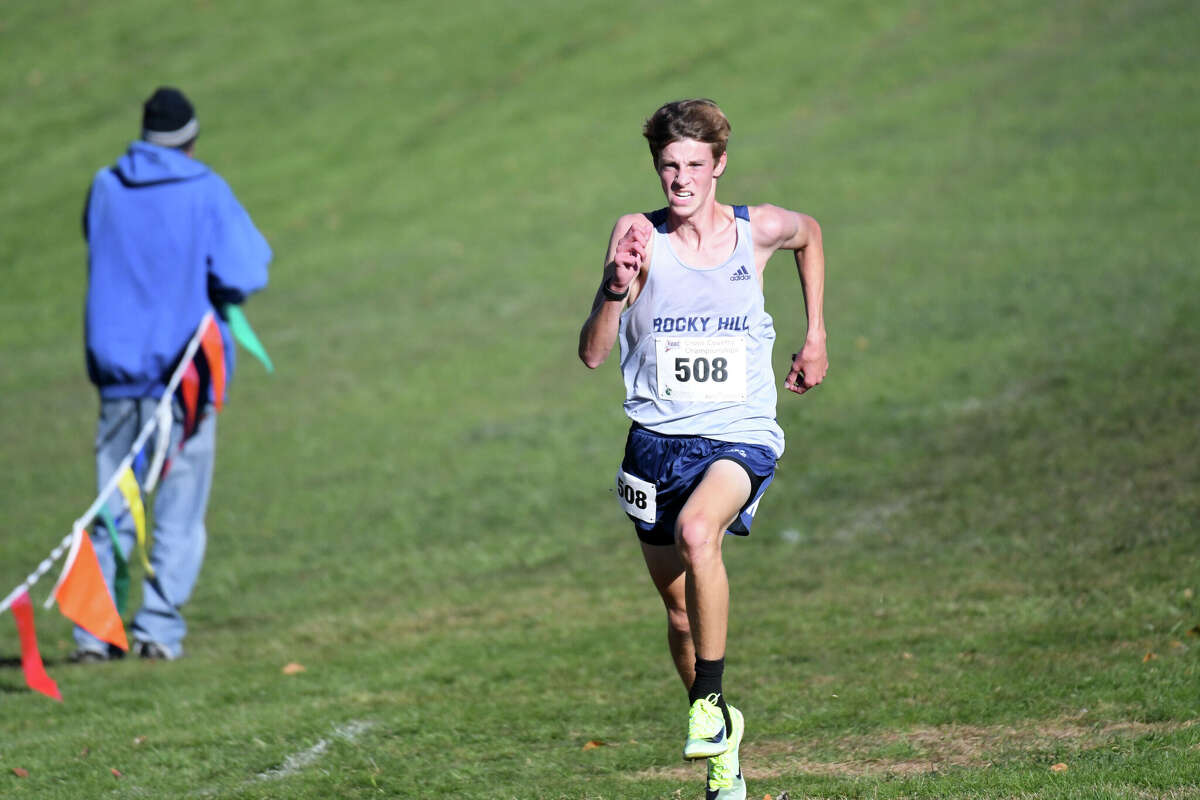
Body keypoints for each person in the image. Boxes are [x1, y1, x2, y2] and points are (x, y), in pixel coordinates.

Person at [578, 99, 827, 800]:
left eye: (693, 164)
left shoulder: (759, 229)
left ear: (719, 165)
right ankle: (725, 754)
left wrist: (815, 333)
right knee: (681, 615)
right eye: (668, 166)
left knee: (698, 533)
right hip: (655, 444)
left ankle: (711, 703)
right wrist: (614, 289)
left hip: (739, 433)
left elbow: (810, 234)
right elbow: (593, 355)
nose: (680, 179)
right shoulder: (637, 236)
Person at [74, 87, 271, 662]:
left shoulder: (105, 186)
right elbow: (245, 270)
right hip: (186, 379)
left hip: (118, 377)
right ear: (190, 141)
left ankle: (93, 634)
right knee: (179, 511)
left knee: (111, 507)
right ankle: (157, 631)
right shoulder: (205, 189)